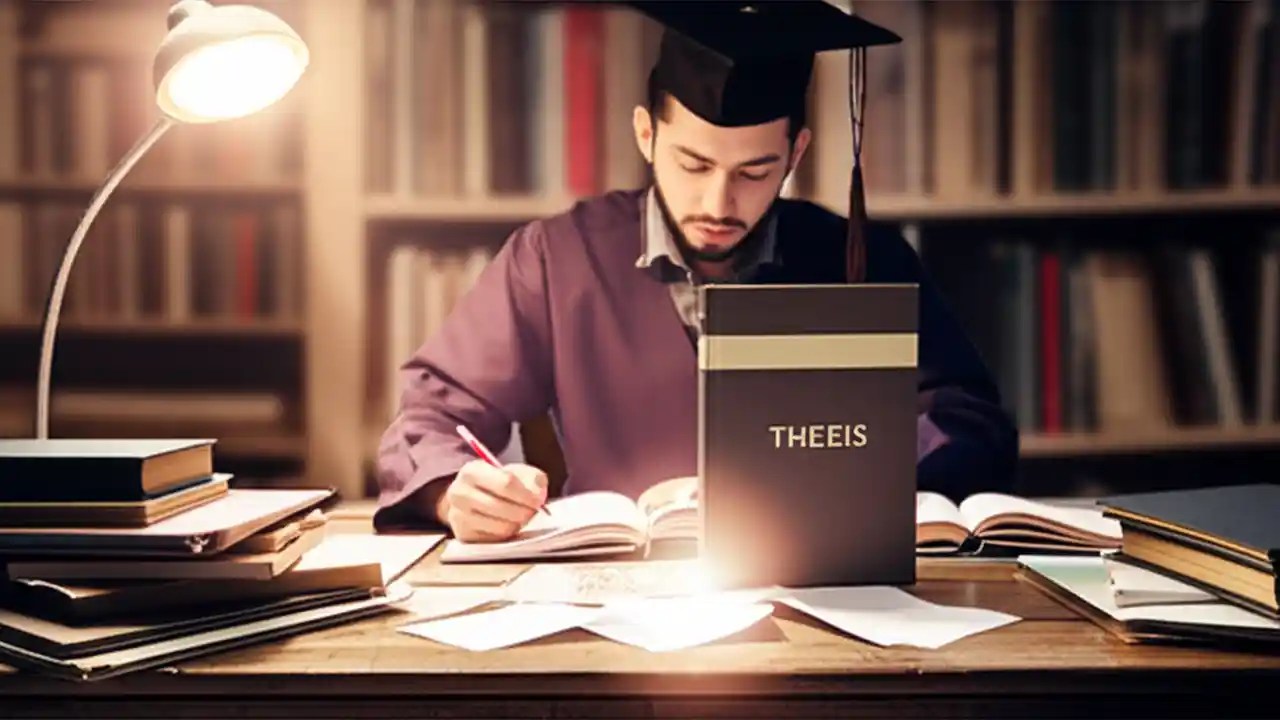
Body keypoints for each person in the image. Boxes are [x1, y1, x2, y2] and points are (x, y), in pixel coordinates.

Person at [375, 1, 1018, 541]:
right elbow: (432, 417)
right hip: (613, 593)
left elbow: (968, 421)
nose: (717, 204)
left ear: (796, 152)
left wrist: (837, 475)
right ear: (646, 135)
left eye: (754, 172)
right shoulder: (556, 258)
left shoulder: (863, 261)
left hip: (827, 591)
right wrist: (452, 492)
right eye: (693, 164)